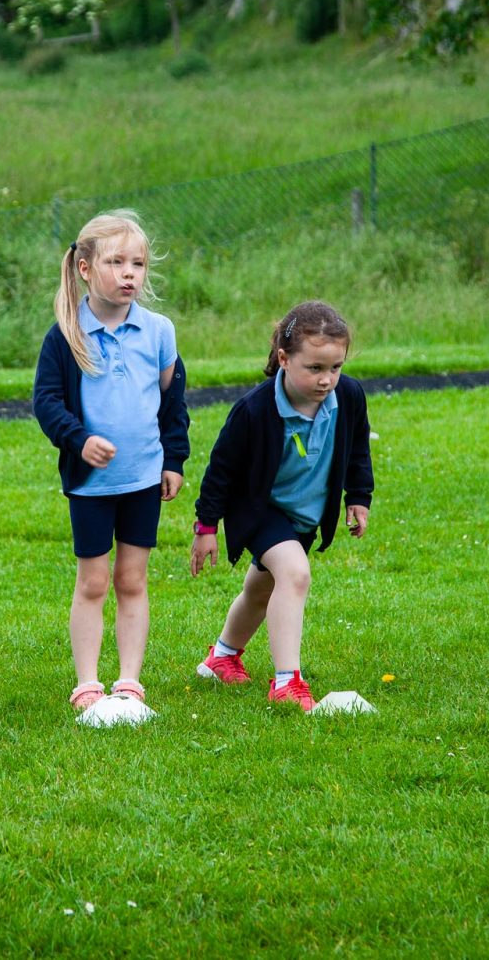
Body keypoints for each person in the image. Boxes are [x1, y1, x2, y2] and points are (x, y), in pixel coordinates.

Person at [33, 210, 188, 711]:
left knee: (133, 580)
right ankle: (86, 682)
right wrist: (79, 441)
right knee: (94, 580)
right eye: (116, 262)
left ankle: (128, 681)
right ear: (84, 268)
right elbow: (47, 402)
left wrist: (174, 460)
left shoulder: (159, 331)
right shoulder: (65, 334)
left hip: (144, 479)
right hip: (91, 484)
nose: (129, 274)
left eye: (138, 264)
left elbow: (173, 402)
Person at [190, 300, 373, 712]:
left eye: (335, 367)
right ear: (284, 358)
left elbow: (357, 449)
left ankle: (222, 656)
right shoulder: (254, 410)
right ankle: (288, 681)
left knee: (261, 589)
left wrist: (358, 497)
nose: (327, 379)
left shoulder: (349, 396)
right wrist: (206, 528)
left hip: (304, 516)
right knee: (294, 573)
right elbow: (221, 469)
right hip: (260, 510)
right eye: (315, 369)